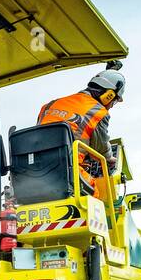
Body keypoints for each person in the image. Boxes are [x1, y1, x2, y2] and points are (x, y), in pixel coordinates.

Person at [37, 62, 126, 190]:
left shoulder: (49, 105)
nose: (112, 104)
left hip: (35, 173)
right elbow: (99, 150)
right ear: (109, 96)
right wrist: (111, 159)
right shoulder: (98, 112)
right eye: (115, 100)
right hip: (68, 175)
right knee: (100, 191)